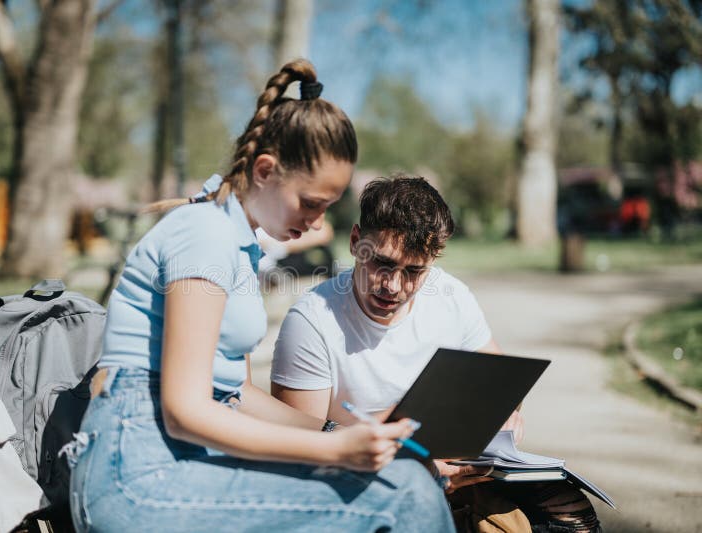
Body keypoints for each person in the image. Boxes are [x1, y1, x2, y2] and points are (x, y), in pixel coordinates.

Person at [65, 61, 454, 533]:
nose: (315, 224)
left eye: (327, 208)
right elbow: (185, 411)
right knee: (405, 496)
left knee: (402, 477)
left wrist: (344, 434)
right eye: (310, 203)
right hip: (136, 475)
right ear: (266, 170)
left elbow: (237, 394)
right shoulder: (204, 235)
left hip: (182, 460)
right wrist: (334, 451)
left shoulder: (237, 242)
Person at [271, 175, 601, 532]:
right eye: (382, 263)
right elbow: (300, 456)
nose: (394, 286)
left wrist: (504, 411)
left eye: (413, 271)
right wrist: (419, 464)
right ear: (355, 242)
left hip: (463, 468)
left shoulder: (451, 296)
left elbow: (501, 379)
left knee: (571, 515)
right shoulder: (312, 320)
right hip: (365, 482)